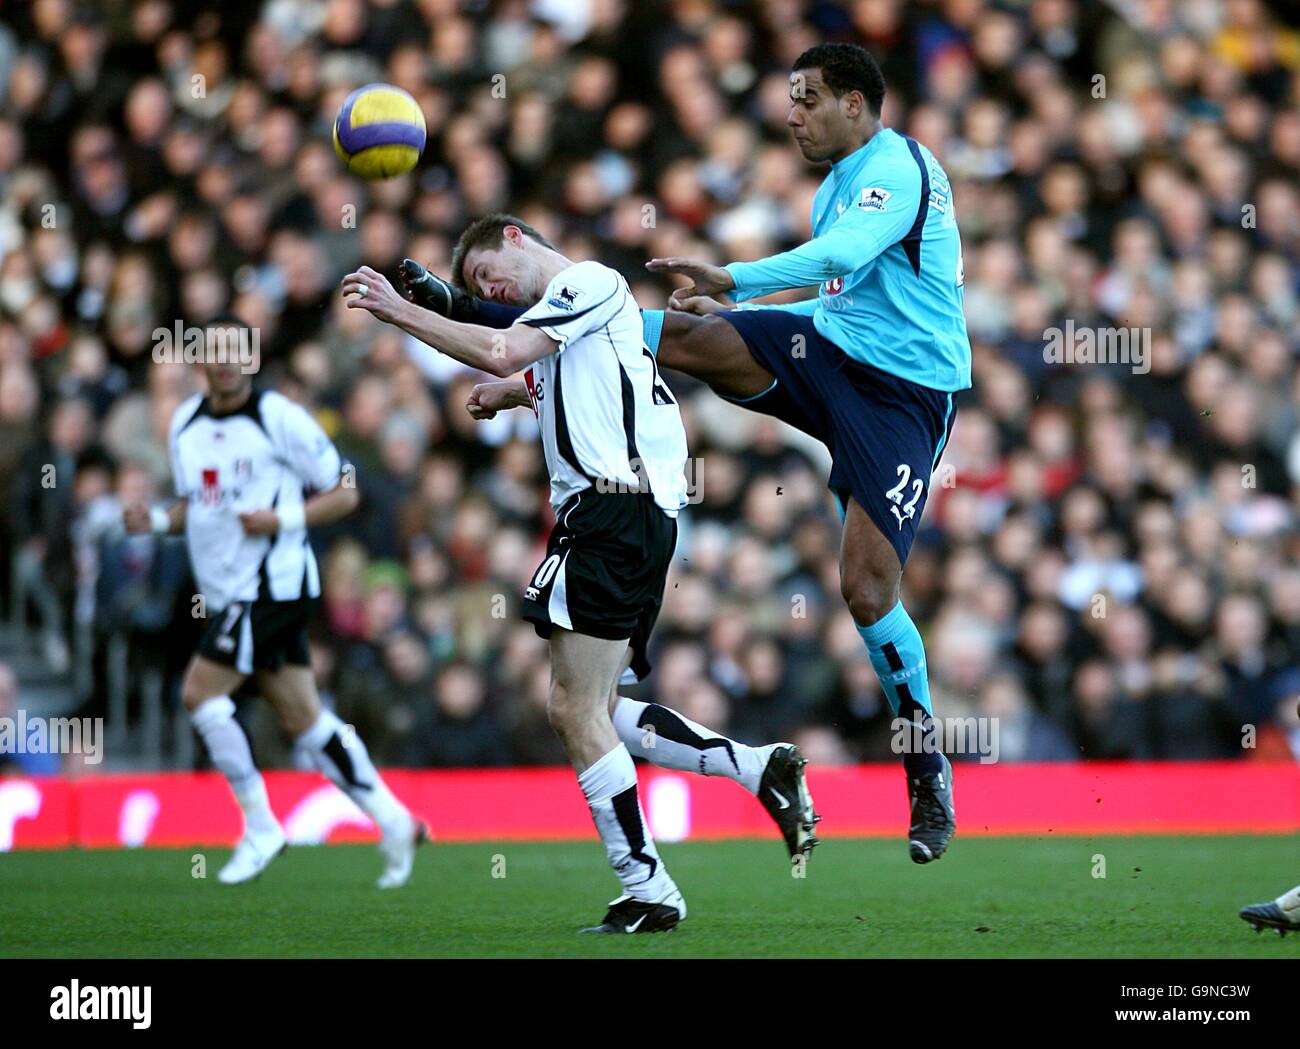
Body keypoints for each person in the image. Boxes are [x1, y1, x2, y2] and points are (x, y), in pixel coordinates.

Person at [399, 42, 965, 863]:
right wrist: (499, 352)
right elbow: (844, 286)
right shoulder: (838, 183)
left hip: (903, 395)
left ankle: (925, 764)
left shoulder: (900, 167)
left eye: (806, 98)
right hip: (831, 353)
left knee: (866, 588)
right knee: (687, 337)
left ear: (854, 100)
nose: (793, 114)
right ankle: (484, 315)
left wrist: (735, 277)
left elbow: (843, 258)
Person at [342, 214, 819, 933]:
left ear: (513, 237)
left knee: (572, 710)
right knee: (591, 706)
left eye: (484, 274)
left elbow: (504, 346)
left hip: (609, 514)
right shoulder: (577, 319)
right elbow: (564, 376)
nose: (489, 289)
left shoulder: (587, 281)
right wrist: (506, 379)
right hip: (633, 517)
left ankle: (649, 887)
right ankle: (757, 767)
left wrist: (402, 310)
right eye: (477, 288)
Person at [124, 319, 422, 888]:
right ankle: (394, 820)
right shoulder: (185, 423)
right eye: (213, 352)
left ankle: (260, 825)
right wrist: (159, 520)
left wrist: (280, 520)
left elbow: (344, 489)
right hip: (227, 593)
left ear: (253, 359)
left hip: (273, 587)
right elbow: (199, 504)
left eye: (236, 351)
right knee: (303, 717)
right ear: (199, 362)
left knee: (200, 694)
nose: (226, 361)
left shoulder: (278, 418)